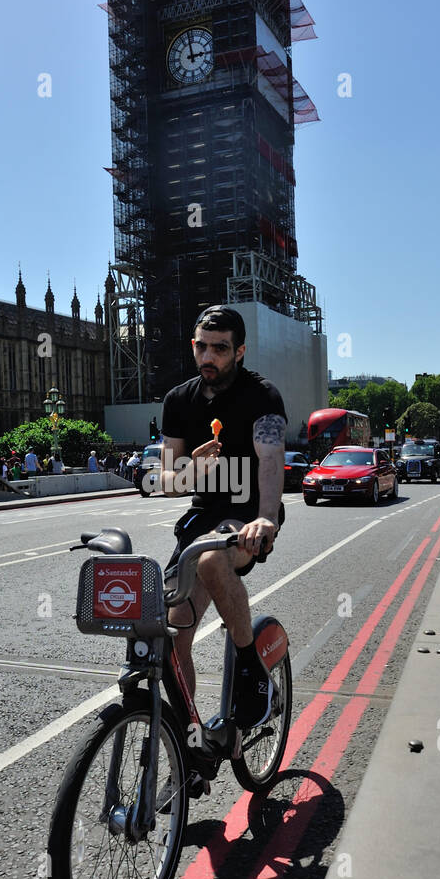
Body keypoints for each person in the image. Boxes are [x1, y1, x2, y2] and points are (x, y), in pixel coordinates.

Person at [161, 304, 286, 738]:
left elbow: (270, 460)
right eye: (201, 347)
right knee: (172, 638)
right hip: (201, 516)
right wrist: (190, 470)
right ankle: (189, 742)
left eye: (220, 348)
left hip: (247, 513)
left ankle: (250, 668)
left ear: (240, 351)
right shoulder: (178, 400)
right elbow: (167, 482)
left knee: (214, 560)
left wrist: (266, 519)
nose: (208, 357)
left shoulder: (261, 395)